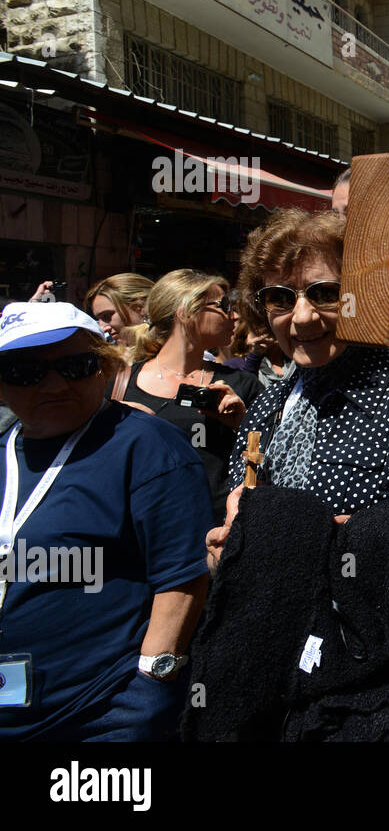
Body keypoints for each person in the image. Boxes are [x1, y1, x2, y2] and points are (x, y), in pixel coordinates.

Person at [211, 208, 389, 584]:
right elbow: (233, 539)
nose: (302, 318)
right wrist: (223, 553)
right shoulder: (266, 406)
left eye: (325, 293)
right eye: (280, 298)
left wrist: (315, 545)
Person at [0, 302, 209, 740]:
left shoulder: (147, 446)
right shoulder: (5, 447)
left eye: (76, 366)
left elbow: (183, 577)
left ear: (105, 367)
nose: (55, 384)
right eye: (24, 371)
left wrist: (150, 687)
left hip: (97, 714)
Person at [123, 270, 261, 522]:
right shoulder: (120, 383)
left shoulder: (243, 384)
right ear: (186, 312)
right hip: (142, 530)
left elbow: (271, 458)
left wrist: (242, 425)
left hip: (216, 530)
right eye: (224, 305)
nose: (235, 315)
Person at [85, 273, 153, 350]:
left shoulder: (166, 346)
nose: (102, 328)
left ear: (140, 305)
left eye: (107, 316)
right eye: (98, 319)